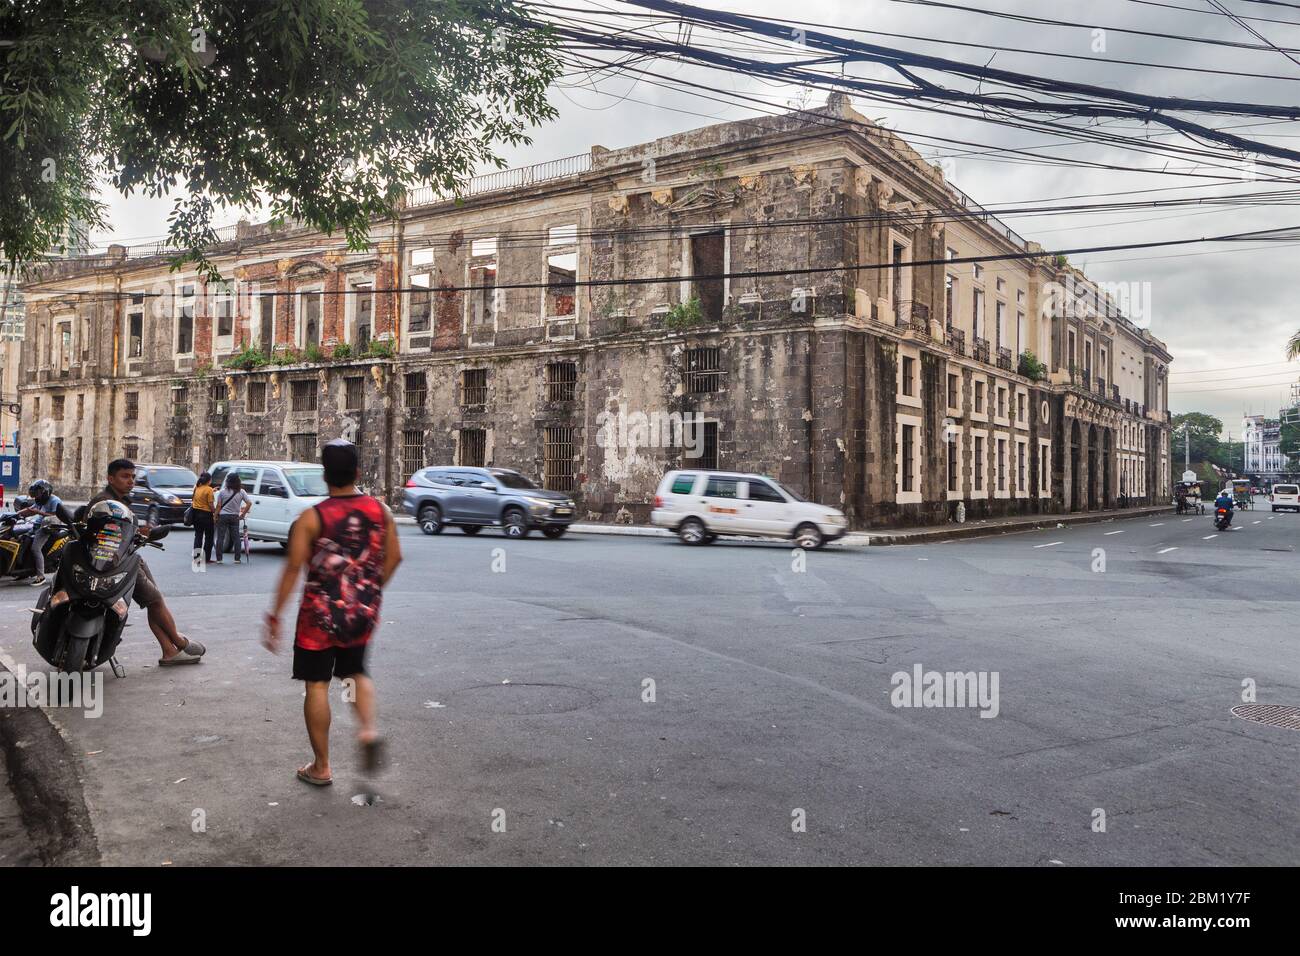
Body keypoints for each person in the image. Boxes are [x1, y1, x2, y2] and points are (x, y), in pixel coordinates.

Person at [263, 439, 402, 787]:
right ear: (357, 472)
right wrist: (370, 589)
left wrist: (275, 615)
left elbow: (293, 569)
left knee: (317, 684)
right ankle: (368, 731)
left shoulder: (312, 517)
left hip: (318, 618)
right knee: (355, 671)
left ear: (325, 475)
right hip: (360, 611)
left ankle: (321, 766)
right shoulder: (380, 511)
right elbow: (395, 557)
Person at [89, 459, 206, 666]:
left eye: (133, 477)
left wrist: (144, 533)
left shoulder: (123, 501)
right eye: (125, 476)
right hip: (115, 564)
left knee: (154, 601)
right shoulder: (104, 502)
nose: (131, 481)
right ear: (110, 478)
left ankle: (169, 650)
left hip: (129, 559)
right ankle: (178, 642)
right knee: (155, 600)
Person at [13, 479, 76, 585]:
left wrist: (38, 512)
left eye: (37, 494)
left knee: (35, 548)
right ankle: (24, 571)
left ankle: (40, 576)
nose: (36, 497)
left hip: (48, 527)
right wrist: (15, 514)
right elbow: (30, 510)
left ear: (45, 492)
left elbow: (55, 515)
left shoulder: (55, 500)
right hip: (37, 525)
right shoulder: (40, 500)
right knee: (22, 540)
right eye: (34, 495)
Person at [212, 472, 252, 564]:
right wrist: (242, 514)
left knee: (220, 538)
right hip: (235, 517)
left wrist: (215, 516)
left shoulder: (222, 492)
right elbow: (249, 503)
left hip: (223, 516)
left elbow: (218, 506)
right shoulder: (241, 492)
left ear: (227, 481)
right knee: (236, 537)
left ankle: (219, 559)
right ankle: (237, 559)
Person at [191, 471, 216, 564]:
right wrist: (215, 512)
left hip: (196, 514)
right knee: (209, 537)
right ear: (209, 481)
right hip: (206, 515)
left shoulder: (197, 487)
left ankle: (196, 558)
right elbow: (210, 504)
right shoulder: (209, 489)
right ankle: (206, 558)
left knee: (198, 536)